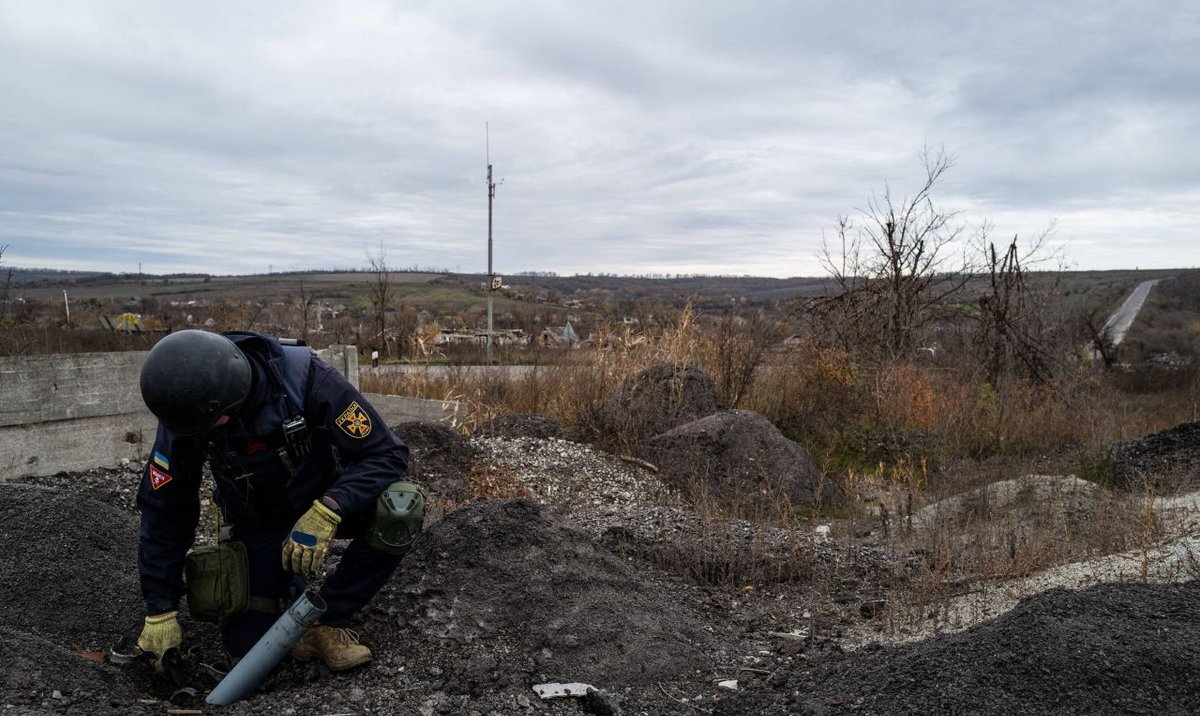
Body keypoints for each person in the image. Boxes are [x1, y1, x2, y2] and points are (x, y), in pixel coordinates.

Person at [134, 329, 419, 673]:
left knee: (401, 506)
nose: (205, 432)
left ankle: (329, 619)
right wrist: (160, 609)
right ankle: (289, 600)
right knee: (250, 652)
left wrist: (330, 508)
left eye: (212, 424)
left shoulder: (309, 380)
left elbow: (386, 454)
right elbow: (165, 509)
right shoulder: (188, 416)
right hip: (258, 520)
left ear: (233, 398)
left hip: (325, 503)